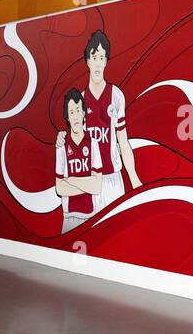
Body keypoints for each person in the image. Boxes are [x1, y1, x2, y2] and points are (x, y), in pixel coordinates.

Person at [57, 29, 141, 215]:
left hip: (112, 179)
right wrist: (61, 138)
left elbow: (123, 142)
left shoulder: (116, 96)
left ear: (106, 62)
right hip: (89, 181)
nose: (97, 63)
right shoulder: (80, 102)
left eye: (102, 58)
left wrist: (134, 179)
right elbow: (73, 141)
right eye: (94, 57)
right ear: (88, 61)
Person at [55, 88, 103, 233]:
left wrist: (70, 179)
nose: (75, 116)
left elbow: (97, 186)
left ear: (83, 113)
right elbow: (60, 188)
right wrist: (87, 183)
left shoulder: (93, 143)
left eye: (77, 111)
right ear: (67, 118)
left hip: (90, 216)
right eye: (71, 113)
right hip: (69, 217)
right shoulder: (61, 146)